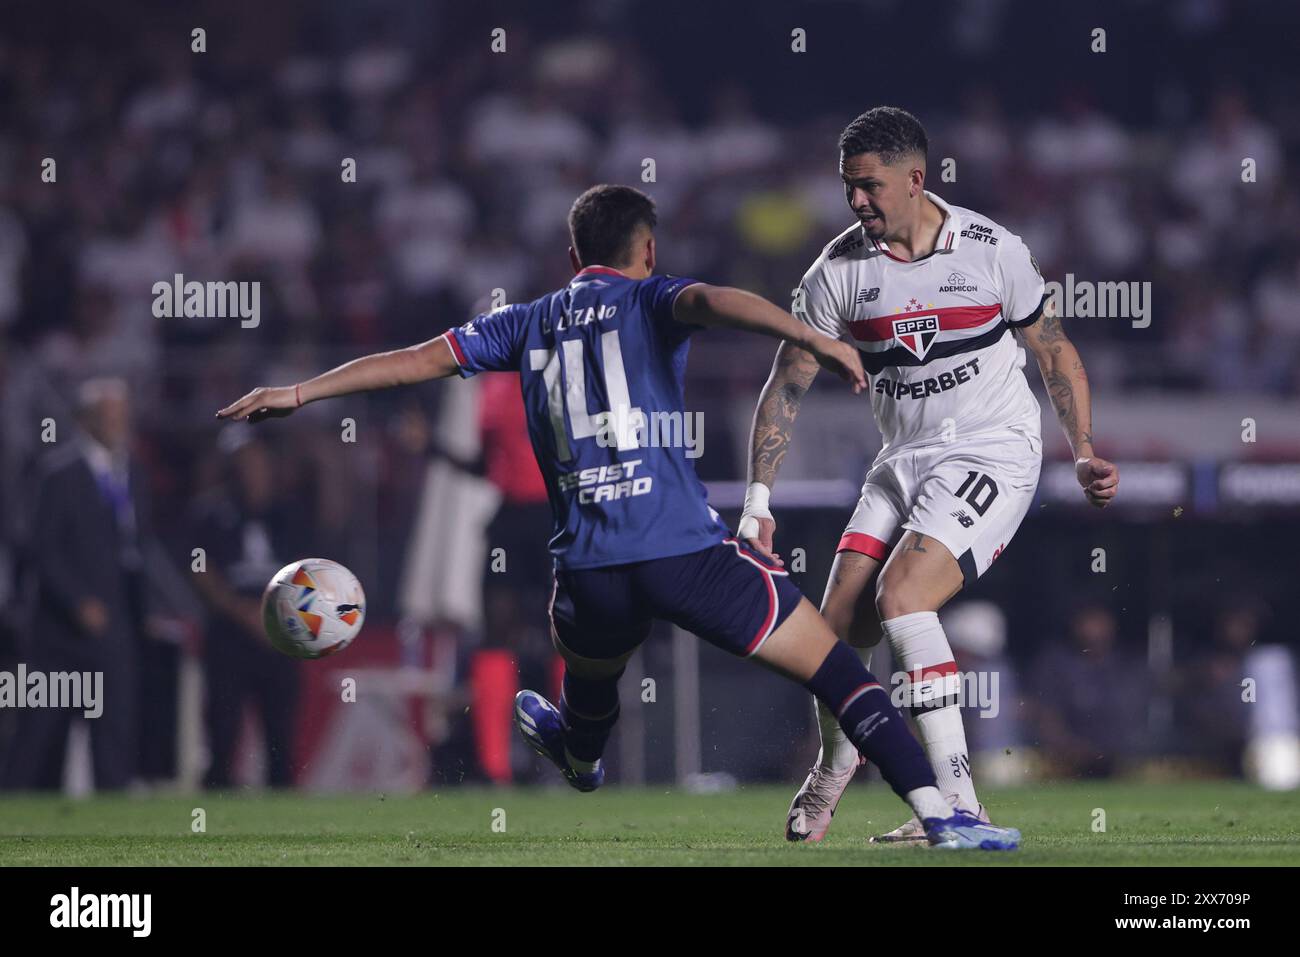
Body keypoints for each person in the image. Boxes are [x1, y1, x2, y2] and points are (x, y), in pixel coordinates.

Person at [217, 183, 1022, 850]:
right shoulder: (654, 298)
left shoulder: (524, 320)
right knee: (839, 669)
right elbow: (714, 300)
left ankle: (577, 749)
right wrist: (812, 333)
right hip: (684, 555)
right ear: (648, 253)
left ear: (572, 258)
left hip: (588, 571)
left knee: (591, 685)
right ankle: (941, 814)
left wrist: (300, 391)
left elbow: (416, 362)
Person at [738, 106, 1120, 843]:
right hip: (901, 460)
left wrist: (1082, 448)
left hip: (993, 450)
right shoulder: (839, 271)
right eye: (848, 187)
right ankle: (834, 765)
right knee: (838, 625)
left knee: (905, 593)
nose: (857, 202)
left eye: (870, 186)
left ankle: (958, 801)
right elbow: (786, 384)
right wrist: (758, 501)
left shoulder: (991, 250)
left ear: (917, 179)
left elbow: (1053, 350)